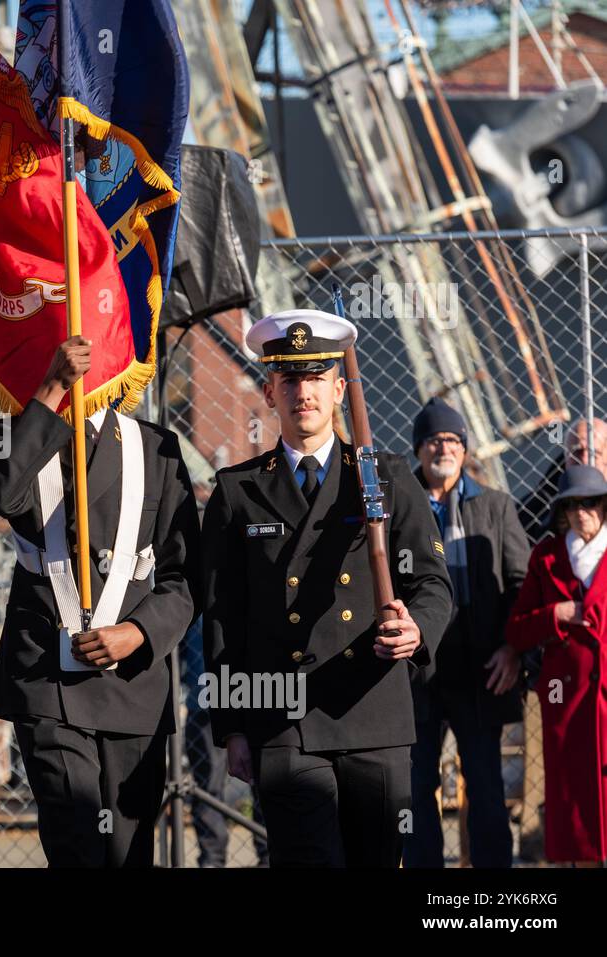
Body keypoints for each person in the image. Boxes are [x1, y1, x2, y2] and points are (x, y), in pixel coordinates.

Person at [202, 309, 453, 867]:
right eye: (289, 380)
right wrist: (232, 726)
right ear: (269, 392)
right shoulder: (237, 492)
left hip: (373, 708)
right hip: (283, 714)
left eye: (316, 379)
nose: (303, 393)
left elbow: (432, 583)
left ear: (339, 388)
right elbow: (224, 616)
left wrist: (416, 629)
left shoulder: (385, 476)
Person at [0, 336, 201, 867]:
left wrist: (141, 633)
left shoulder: (157, 448)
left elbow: (183, 573)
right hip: (48, 676)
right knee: (75, 838)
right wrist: (52, 389)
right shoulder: (17, 436)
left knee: (127, 849)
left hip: (132, 682)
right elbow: (3, 495)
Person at [402, 397, 530, 868]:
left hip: (482, 669)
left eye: (453, 439)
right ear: (419, 448)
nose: (445, 447)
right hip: (416, 670)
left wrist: (513, 648)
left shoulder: (496, 507)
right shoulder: (398, 503)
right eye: (435, 439)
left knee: (486, 788)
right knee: (415, 792)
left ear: (465, 449)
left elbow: (521, 584)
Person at [505, 464, 607, 865]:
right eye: (571, 504)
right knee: (572, 795)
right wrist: (557, 613)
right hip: (565, 699)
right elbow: (516, 631)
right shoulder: (546, 557)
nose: (582, 512)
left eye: (591, 502)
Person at [518, 418, 607, 540]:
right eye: (577, 452)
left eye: (594, 453)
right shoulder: (547, 503)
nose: (585, 460)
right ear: (565, 459)